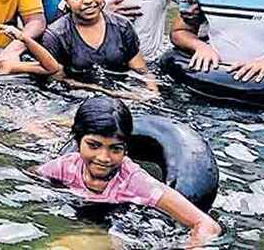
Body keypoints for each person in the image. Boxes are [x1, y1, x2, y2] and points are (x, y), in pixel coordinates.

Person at [39, 97, 221, 247]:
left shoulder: (136, 182)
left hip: (125, 227)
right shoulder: (64, 167)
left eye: (115, 149)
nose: (104, 157)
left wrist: (194, 245)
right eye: (93, 146)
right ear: (78, 142)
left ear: (126, 149)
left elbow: (207, 224)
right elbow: (34, 177)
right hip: (80, 215)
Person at [41, 0, 158, 97]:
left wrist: (152, 94)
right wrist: (107, 92)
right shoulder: (55, 36)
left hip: (124, 94)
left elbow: (141, 71)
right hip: (76, 100)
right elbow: (58, 81)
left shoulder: (122, 26)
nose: (88, 0)